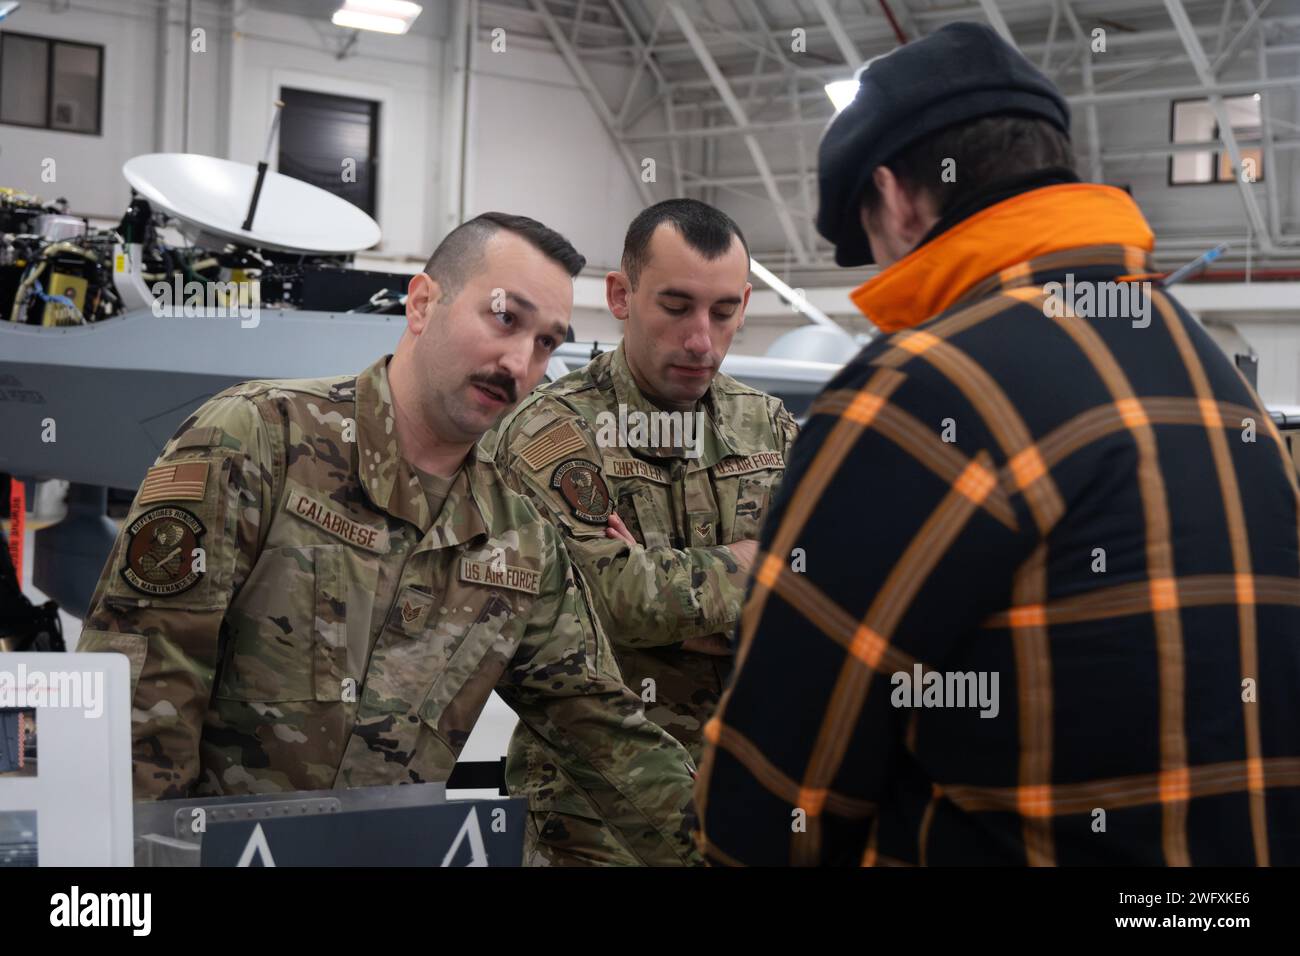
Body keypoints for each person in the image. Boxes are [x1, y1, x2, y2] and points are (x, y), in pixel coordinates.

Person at [695, 22, 1300, 866]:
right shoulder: (1222, 389)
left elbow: (779, 794)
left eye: (868, 236)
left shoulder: (921, 392)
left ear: (897, 197)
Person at [79, 212, 700, 866]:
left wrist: (737, 846)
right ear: (423, 302)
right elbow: (140, 696)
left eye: (547, 342)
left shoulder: (520, 538)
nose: (520, 363)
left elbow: (605, 735)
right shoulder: (260, 441)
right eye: (504, 319)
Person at [485, 199, 798, 864]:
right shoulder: (550, 433)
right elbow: (609, 603)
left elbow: (837, 592)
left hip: (748, 794)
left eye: (723, 312)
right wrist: (763, 566)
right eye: (677, 305)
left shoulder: (769, 427)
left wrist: (668, 584)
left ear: (745, 304)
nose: (700, 339)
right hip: (596, 819)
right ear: (621, 295)